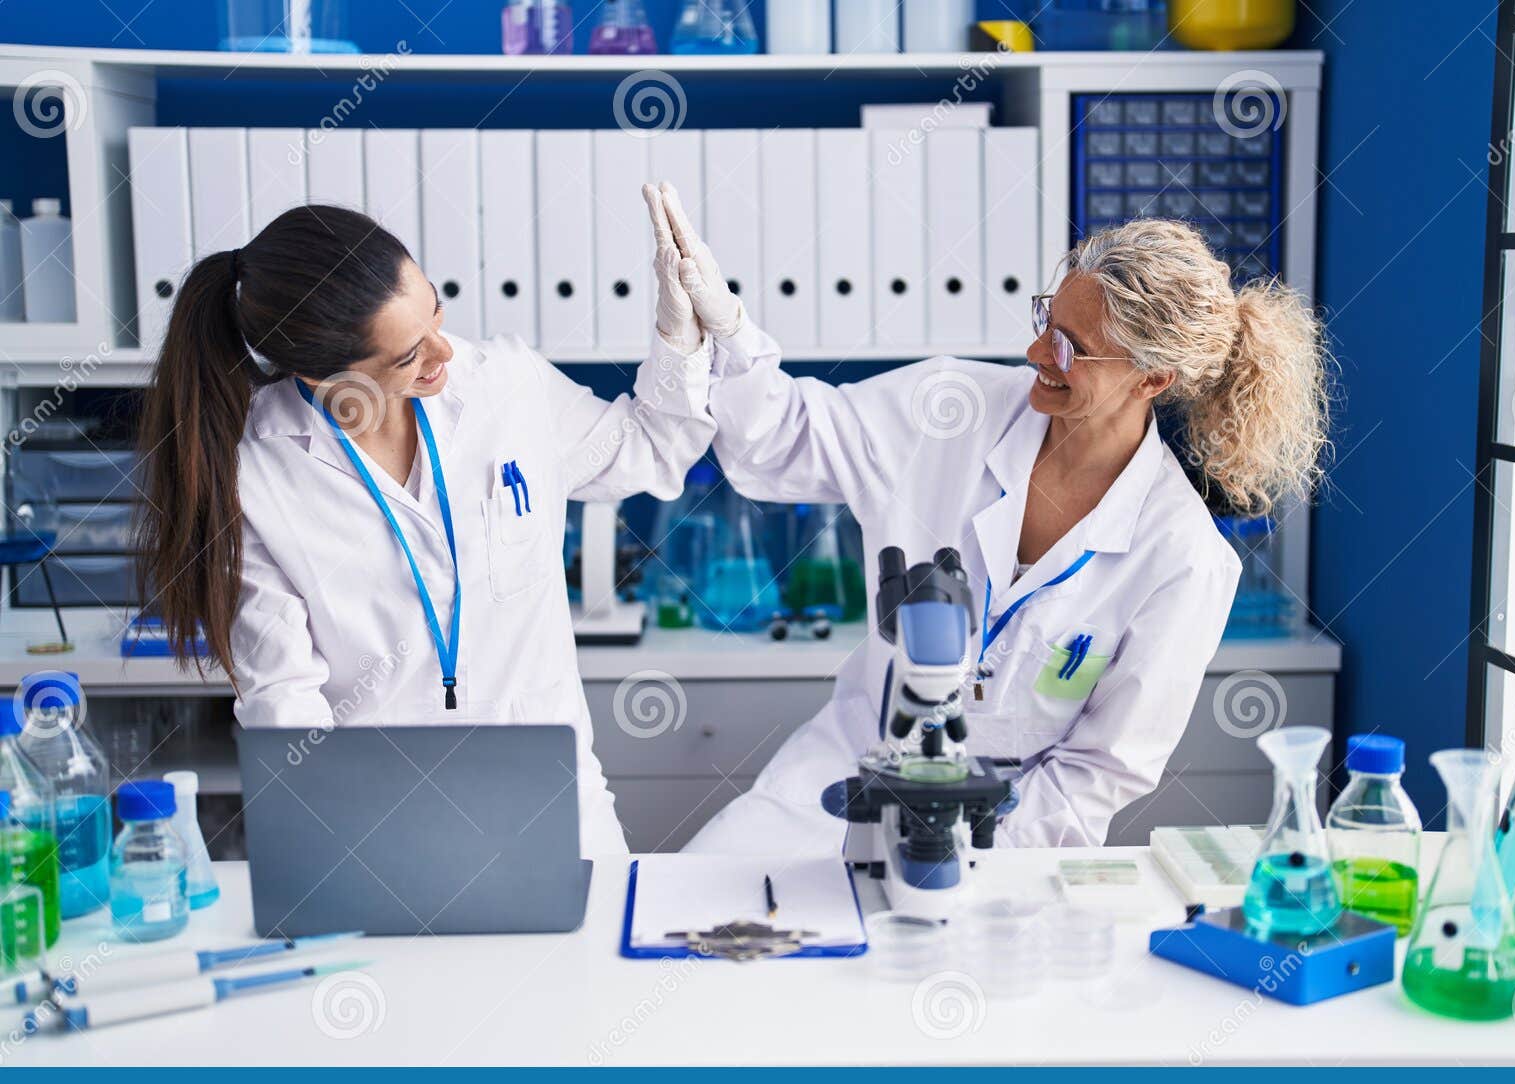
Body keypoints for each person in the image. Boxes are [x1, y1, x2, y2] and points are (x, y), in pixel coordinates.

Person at [652, 190, 1330, 853]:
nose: (1037, 353)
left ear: (1151, 380)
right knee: (707, 900)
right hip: (848, 770)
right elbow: (782, 441)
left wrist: (969, 846)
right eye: (1045, 321)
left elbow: (1101, 769)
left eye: (1070, 347)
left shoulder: (1183, 558)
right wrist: (728, 330)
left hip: (1012, 826)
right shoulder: (951, 408)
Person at [135, 192, 711, 855]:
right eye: (408, 356)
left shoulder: (504, 384)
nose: (444, 352)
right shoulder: (258, 471)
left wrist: (679, 335)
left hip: (559, 815)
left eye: (434, 310)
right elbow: (284, 700)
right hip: (381, 831)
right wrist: (336, 847)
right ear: (320, 376)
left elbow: (652, 449)